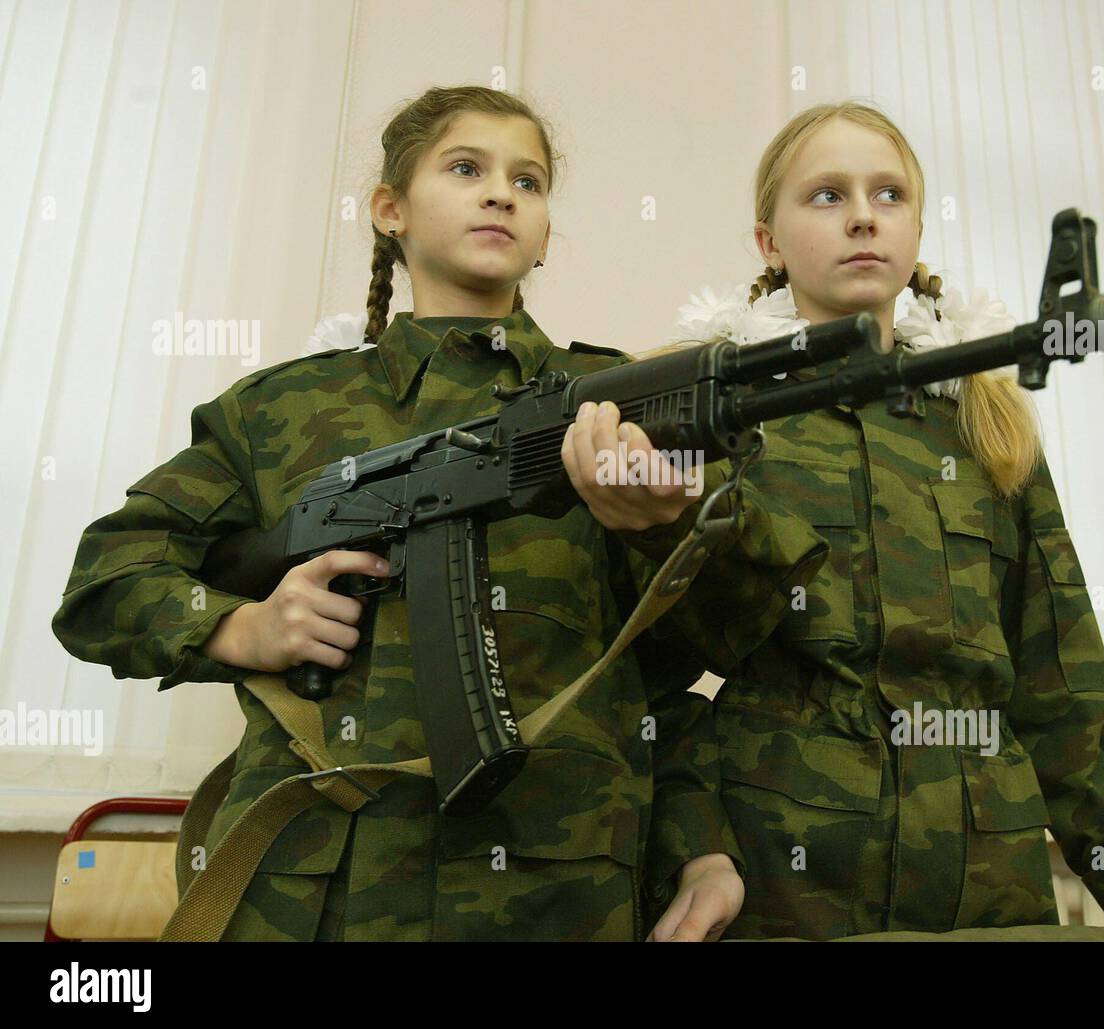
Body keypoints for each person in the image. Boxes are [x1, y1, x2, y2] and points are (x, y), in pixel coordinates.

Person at [50, 85, 823, 941]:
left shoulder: (617, 410)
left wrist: (664, 526)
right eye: (467, 168)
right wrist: (242, 629)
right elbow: (104, 582)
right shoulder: (279, 410)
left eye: (528, 182)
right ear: (390, 210)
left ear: (543, 235)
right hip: (310, 891)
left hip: (549, 892)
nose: (502, 193)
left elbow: (729, 637)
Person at [662, 101, 1104, 938]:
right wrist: (698, 850)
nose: (864, 214)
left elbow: (1057, 676)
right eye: (827, 195)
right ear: (768, 242)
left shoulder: (985, 417)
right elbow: (649, 682)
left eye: (890, 194)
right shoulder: (705, 421)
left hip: (989, 882)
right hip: (784, 876)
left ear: (915, 229)